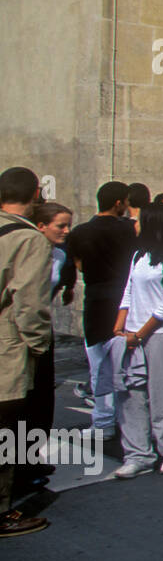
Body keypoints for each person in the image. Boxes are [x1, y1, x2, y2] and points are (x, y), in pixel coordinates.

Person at [111, 203, 163, 478]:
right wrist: (120, 328)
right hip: (130, 335)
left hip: (158, 335)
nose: (136, 223)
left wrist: (140, 334)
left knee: (161, 394)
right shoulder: (138, 256)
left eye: (141, 220)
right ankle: (138, 454)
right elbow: (128, 292)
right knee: (130, 395)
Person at [0, 167, 54, 537]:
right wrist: (38, 344)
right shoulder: (30, 239)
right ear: (35, 194)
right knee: (6, 429)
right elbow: (30, 304)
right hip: (7, 346)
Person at [66, 181, 136, 439]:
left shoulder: (80, 232)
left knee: (99, 366)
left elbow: (79, 266)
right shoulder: (130, 230)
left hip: (95, 301)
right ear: (119, 203)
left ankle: (103, 422)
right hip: (125, 302)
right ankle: (126, 421)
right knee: (127, 367)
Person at [16, 202, 75, 492]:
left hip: (43, 328)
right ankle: (20, 467)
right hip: (21, 334)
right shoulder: (27, 250)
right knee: (21, 402)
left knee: (41, 402)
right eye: (60, 226)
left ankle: (33, 457)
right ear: (40, 226)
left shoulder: (60, 254)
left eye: (68, 225)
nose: (65, 231)